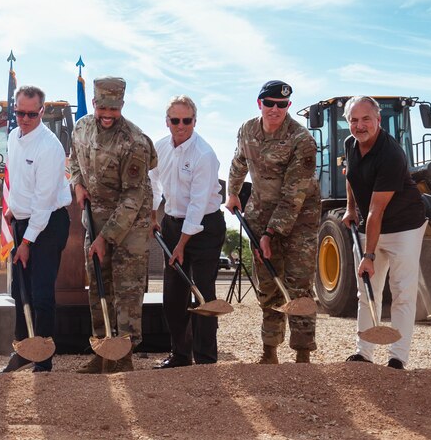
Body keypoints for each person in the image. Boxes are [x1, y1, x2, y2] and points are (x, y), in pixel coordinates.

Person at [225, 80, 319, 364]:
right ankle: (269, 351)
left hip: (299, 217)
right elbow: (238, 162)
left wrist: (270, 233)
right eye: (270, 103)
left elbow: (294, 195)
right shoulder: (247, 130)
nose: (275, 109)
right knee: (267, 283)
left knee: (298, 283)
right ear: (260, 104)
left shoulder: (302, 140)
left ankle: (302, 353)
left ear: (288, 107)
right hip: (260, 213)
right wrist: (233, 192)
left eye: (282, 105)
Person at [68, 76, 156, 374]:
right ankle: (104, 352)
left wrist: (106, 237)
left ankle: (124, 357)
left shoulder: (134, 140)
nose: (108, 115)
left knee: (127, 290)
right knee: (98, 285)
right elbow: (74, 161)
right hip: (95, 218)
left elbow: (134, 196)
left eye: (114, 109)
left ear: (122, 105)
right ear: (94, 103)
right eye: (103, 107)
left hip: (131, 224)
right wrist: (77, 184)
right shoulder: (81, 128)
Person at [341, 96, 428, 370]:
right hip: (372, 224)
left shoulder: (391, 154)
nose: (360, 125)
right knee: (366, 291)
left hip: (404, 226)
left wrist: (368, 255)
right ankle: (364, 353)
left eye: (366, 119)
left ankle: (397, 357)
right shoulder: (350, 144)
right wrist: (350, 208)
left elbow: (377, 212)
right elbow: (351, 177)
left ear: (378, 120)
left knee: (402, 291)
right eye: (354, 120)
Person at [149, 95, 225, 368]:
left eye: (187, 120)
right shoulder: (160, 148)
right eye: (175, 120)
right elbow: (153, 180)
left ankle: (206, 359)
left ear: (195, 121)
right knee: (173, 295)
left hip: (205, 227)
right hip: (172, 223)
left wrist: (181, 245)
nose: (181, 126)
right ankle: (180, 355)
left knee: (203, 294)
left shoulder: (204, 154)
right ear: (167, 121)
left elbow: (197, 204)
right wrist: (151, 212)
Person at [1, 86, 72, 373]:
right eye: (20, 112)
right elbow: (17, 180)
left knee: (41, 293)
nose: (25, 118)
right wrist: (11, 209)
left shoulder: (50, 147)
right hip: (22, 222)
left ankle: (43, 359)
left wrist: (27, 243)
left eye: (32, 113)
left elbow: (43, 202)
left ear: (42, 111)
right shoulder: (12, 138)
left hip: (48, 223)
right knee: (19, 291)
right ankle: (23, 350)